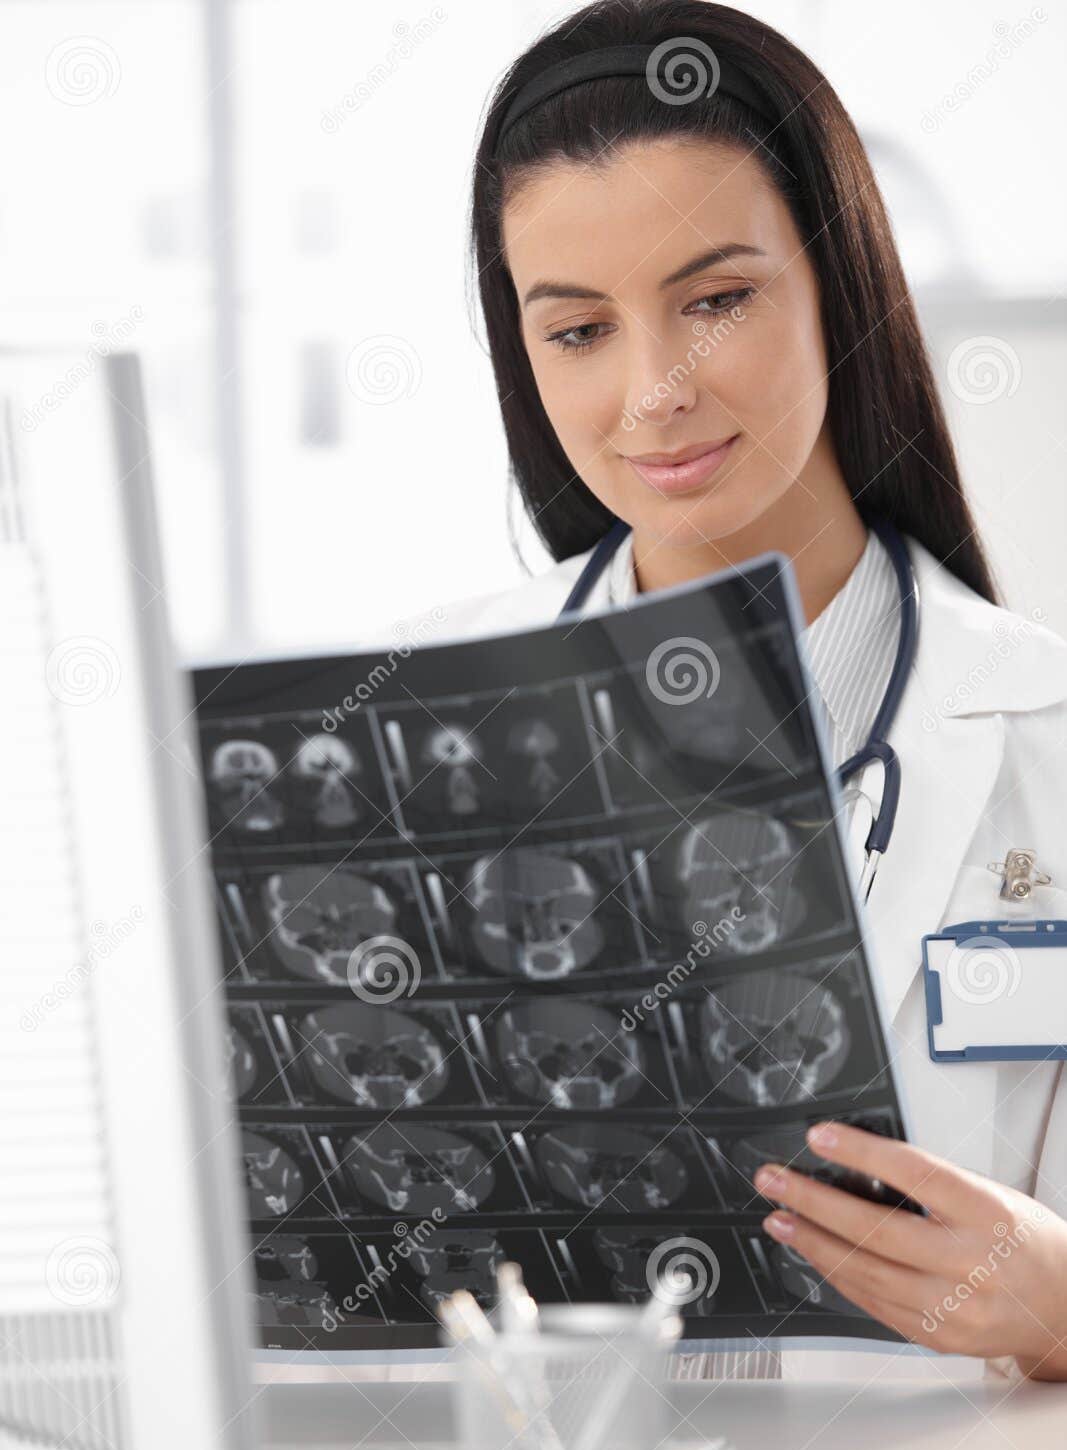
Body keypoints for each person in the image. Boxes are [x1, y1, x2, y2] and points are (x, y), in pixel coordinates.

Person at [391, 0, 1067, 1379]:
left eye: (715, 301)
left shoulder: (1043, 741)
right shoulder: (406, 723)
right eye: (578, 331)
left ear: (840, 282)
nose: (654, 394)